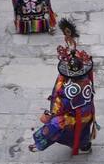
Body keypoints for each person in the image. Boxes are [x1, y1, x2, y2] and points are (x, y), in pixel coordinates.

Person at [30, 19, 96, 156]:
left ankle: (40, 143)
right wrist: (71, 45)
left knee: (57, 125)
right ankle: (84, 144)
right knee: (80, 131)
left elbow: (63, 104)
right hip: (82, 112)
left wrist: (54, 113)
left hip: (76, 116)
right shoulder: (83, 80)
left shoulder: (73, 88)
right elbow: (75, 55)